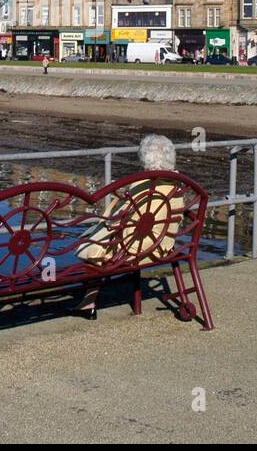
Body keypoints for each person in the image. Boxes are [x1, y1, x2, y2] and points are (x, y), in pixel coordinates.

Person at [73, 134, 184, 320]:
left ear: (143, 158)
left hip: (134, 250)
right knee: (104, 242)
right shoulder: (179, 183)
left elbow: (117, 220)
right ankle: (88, 302)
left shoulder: (141, 186)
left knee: (95, 245)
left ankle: (89, 302)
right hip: (161, 246)